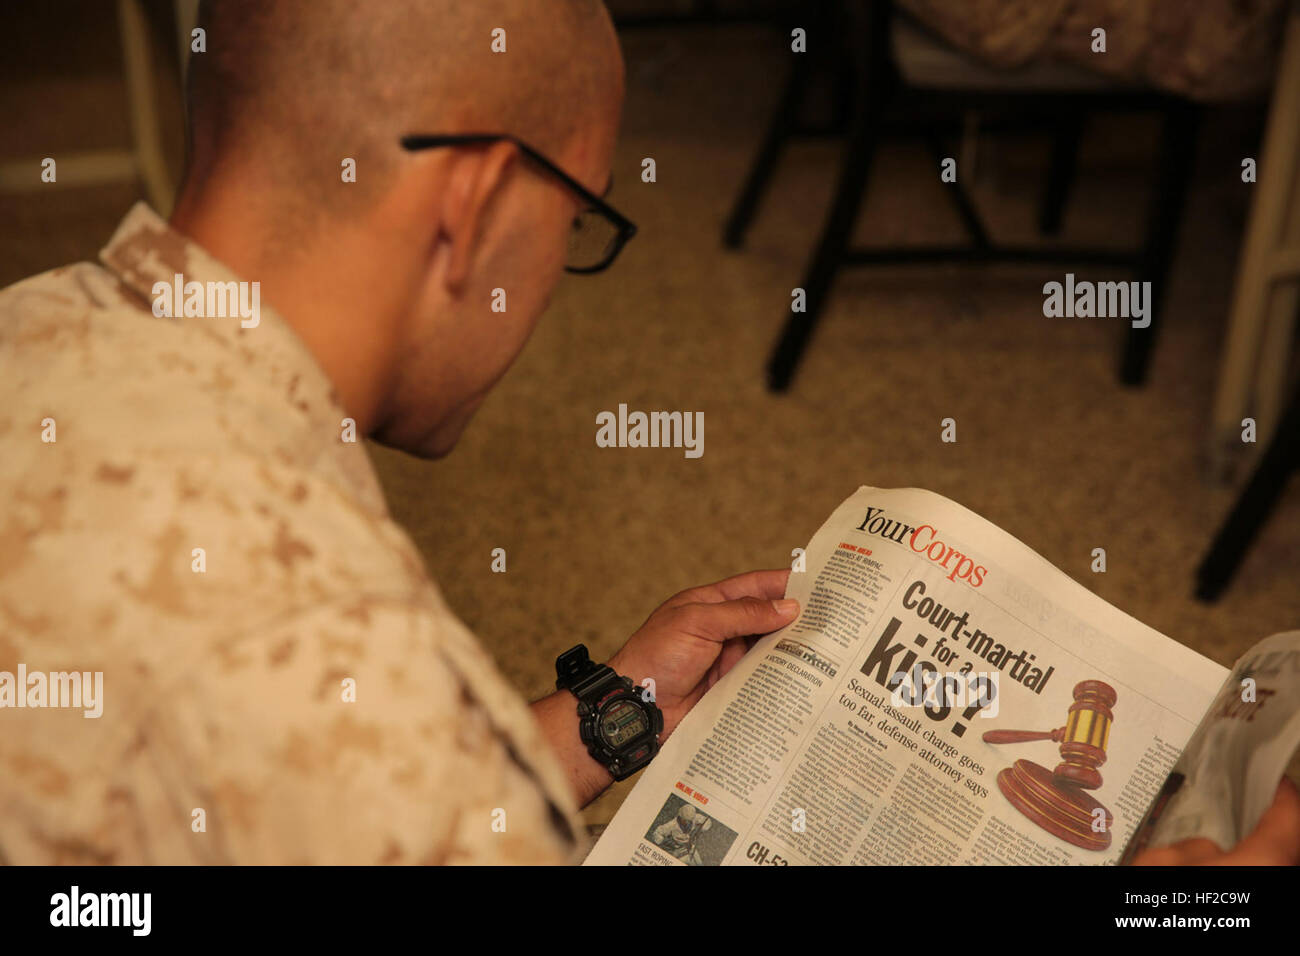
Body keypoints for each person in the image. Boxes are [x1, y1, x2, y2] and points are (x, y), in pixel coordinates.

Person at [0, 0, 1292, 866]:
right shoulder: (335, 644)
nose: (564, 277)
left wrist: (607, 715)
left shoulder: (38, 331)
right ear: (475, 202)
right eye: (580, 224)